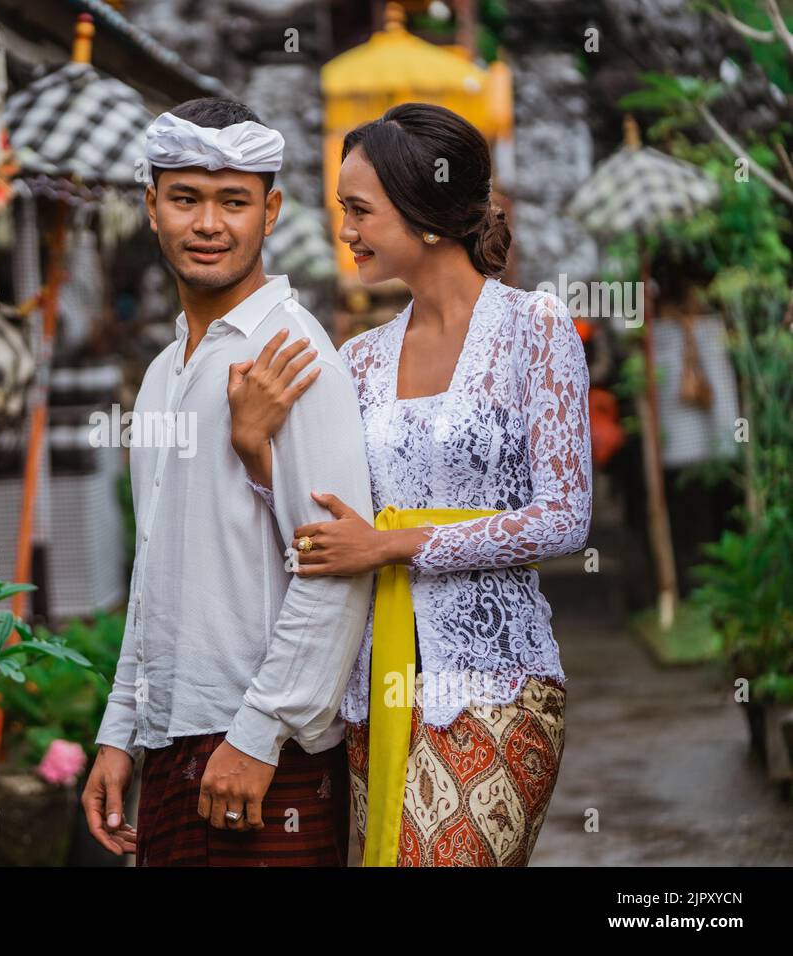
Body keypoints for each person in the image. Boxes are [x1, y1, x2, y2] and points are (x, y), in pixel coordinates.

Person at [230, 103, 591, 866]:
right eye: (342, 211)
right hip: (375, 688)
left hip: (496, 684)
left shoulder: (537, 328)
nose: (346, 231)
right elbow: (322, 530)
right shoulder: (355, 361)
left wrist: (394, 544)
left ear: (426, 213)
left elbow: (564, 517)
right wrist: (257, 452)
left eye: (359, 210)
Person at [80, 97, 375, 866]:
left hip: (265, 755)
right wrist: (120, 731)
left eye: (233, 201)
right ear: (152, 207)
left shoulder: (295, 355)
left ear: (269, 211)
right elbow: (152, 571)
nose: (208, 223)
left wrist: (258, 734)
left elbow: (334, 570)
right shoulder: (159, 375)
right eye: (185, 198)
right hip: (175, 737)